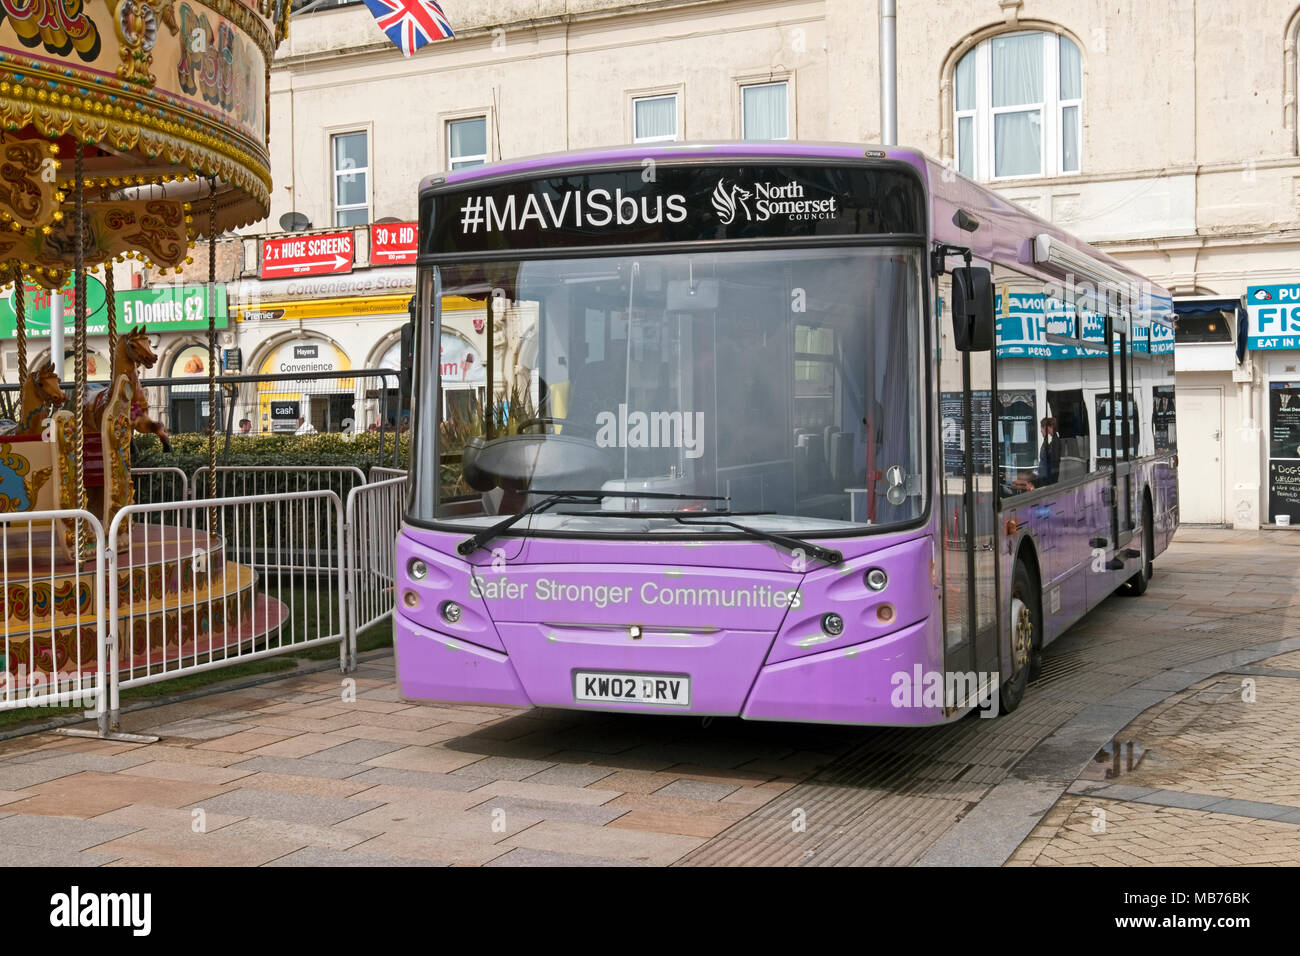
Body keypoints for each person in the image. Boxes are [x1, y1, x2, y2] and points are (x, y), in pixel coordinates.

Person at [1036, 417, 1060, 487]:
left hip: (1047, 480)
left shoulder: (1055, 442)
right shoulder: (1049, 441)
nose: (1041, 431)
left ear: (1048, 428)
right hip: (1043, 477)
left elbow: (1053, 464)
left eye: (1042, 428)